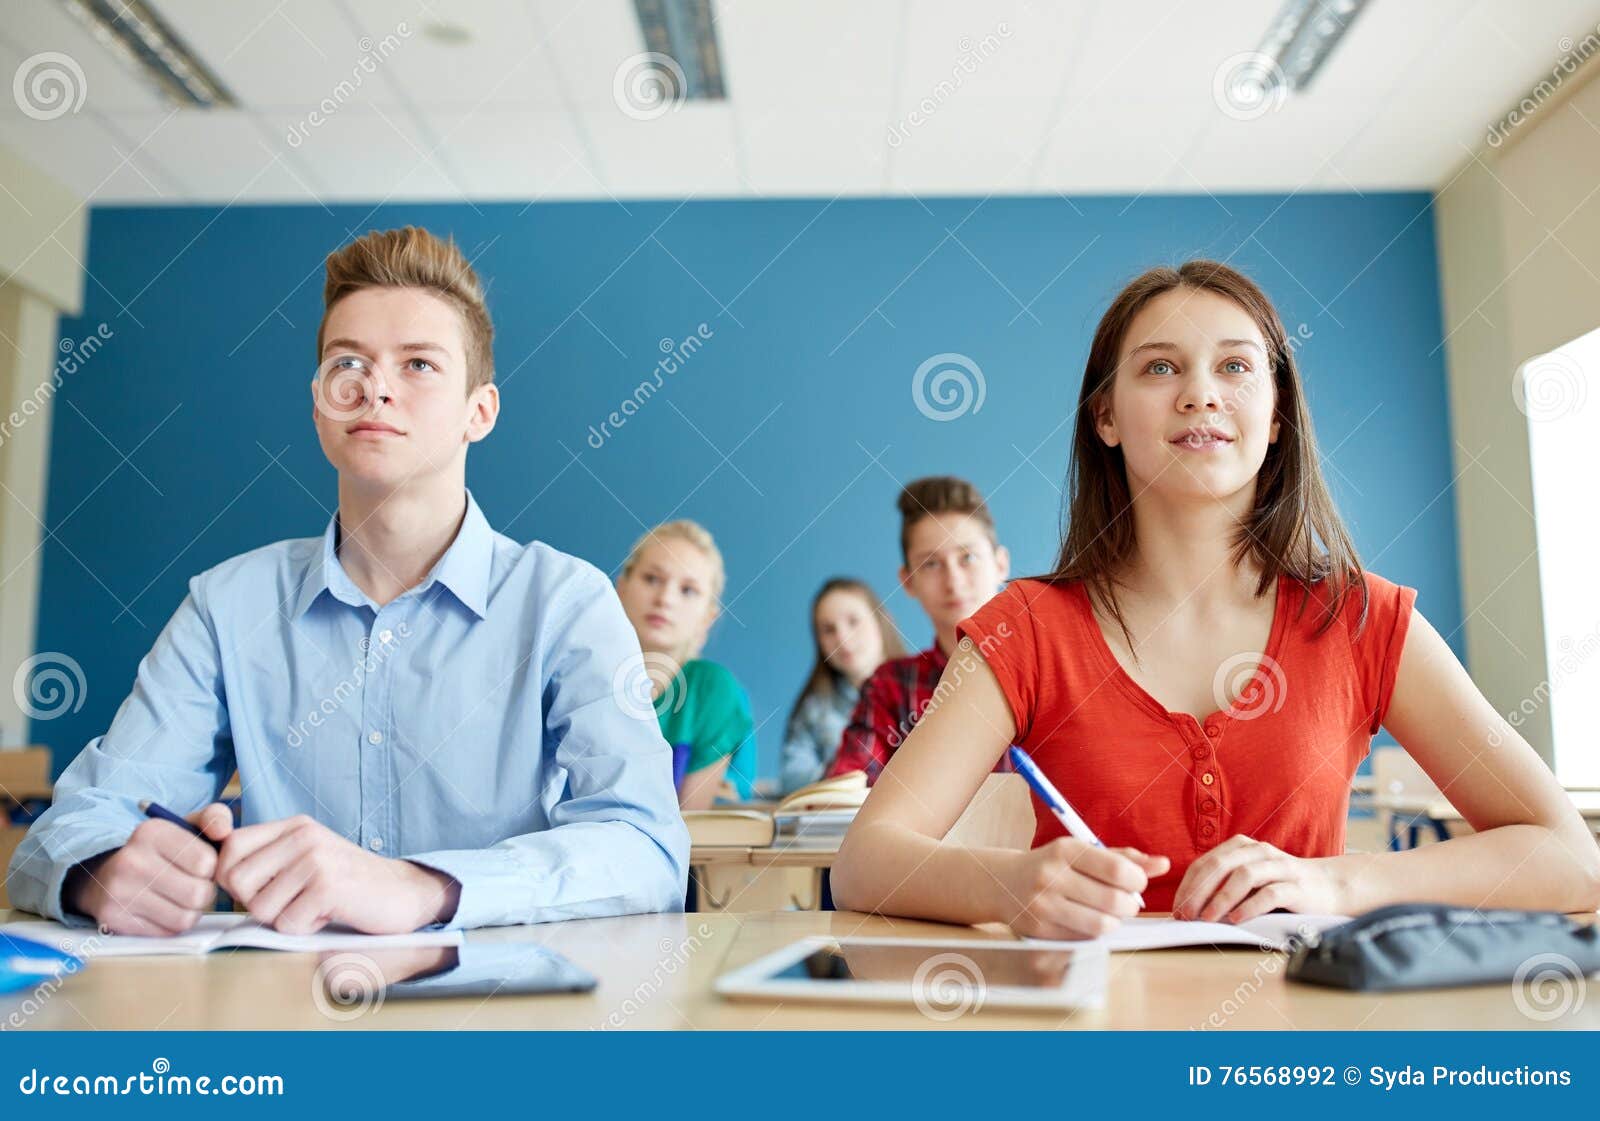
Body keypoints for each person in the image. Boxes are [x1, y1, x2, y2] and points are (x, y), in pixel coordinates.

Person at [832, 260, 1600, 936]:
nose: (1200, 393)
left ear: (1274, 418)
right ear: (1105, 417)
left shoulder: (1361, 618)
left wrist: (1335, 881)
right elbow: (864, 862)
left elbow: (1570, 857)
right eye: (1160, 369)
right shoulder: (1025, 629)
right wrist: (1010, 885)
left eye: (1235, 367)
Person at [7, 226, 690, 935]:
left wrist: (422, 888)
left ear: (478, 412)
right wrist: (103, 873)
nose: (374, 389)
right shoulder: (226, 606)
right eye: (347, 363)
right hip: (285, 1023)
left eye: (419, 364)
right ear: (318, 404)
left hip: (500, 1018)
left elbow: (648, 850)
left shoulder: (566, 603)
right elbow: (68, 830)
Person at [827, 476, 1009, 782]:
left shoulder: (1051, 670)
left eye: (968, 557)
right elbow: (847, 789)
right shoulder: (890, 688)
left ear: (1001, 564)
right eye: (931, 565)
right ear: (907, 580)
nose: (954, 582)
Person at [615, 520, 757, 810]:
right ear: (621, 589)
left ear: (708, 618)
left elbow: (689, 832)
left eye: (688, 590)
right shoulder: (578, 676)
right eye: (652, 579)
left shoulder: (712, 692)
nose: (664, 599)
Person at [779, 578, 904, 794]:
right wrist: (845, 776)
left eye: (854, 622)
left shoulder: (922, 689)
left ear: (883, 621)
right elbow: (791, 777)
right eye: (828, 629)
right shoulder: (814, 707)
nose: (843, 638)